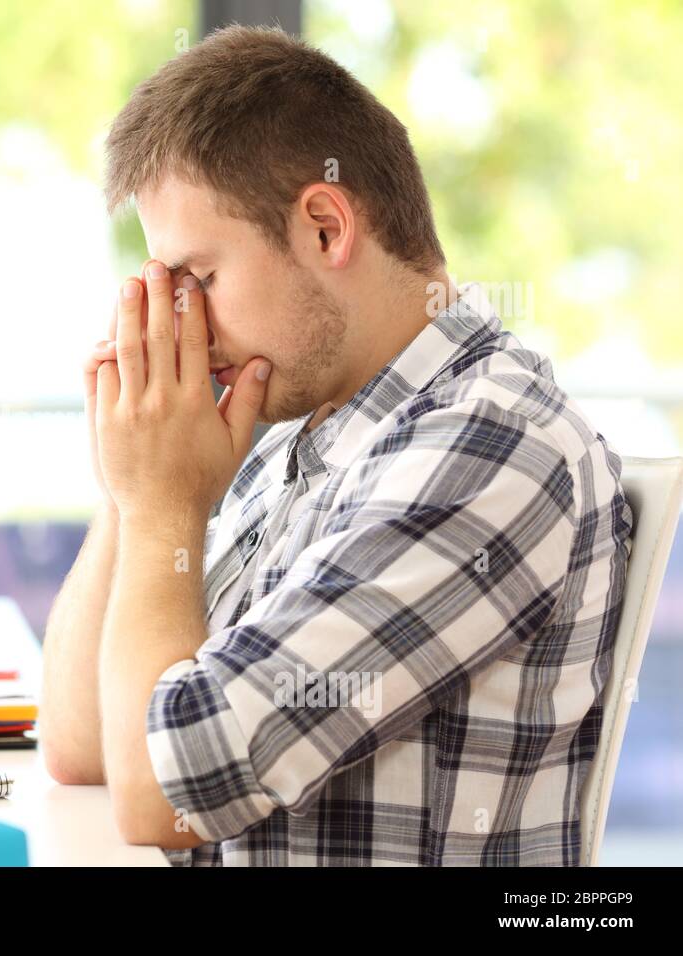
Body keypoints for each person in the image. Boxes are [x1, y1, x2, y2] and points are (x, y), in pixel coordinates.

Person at [39, 25, 632, 866]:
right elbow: (84, 747)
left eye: (198, 278)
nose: (184, 324)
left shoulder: (487, 448)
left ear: (324, 227)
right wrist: (132, 480)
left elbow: (159, 792)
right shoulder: (308, 433)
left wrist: (163, 503)